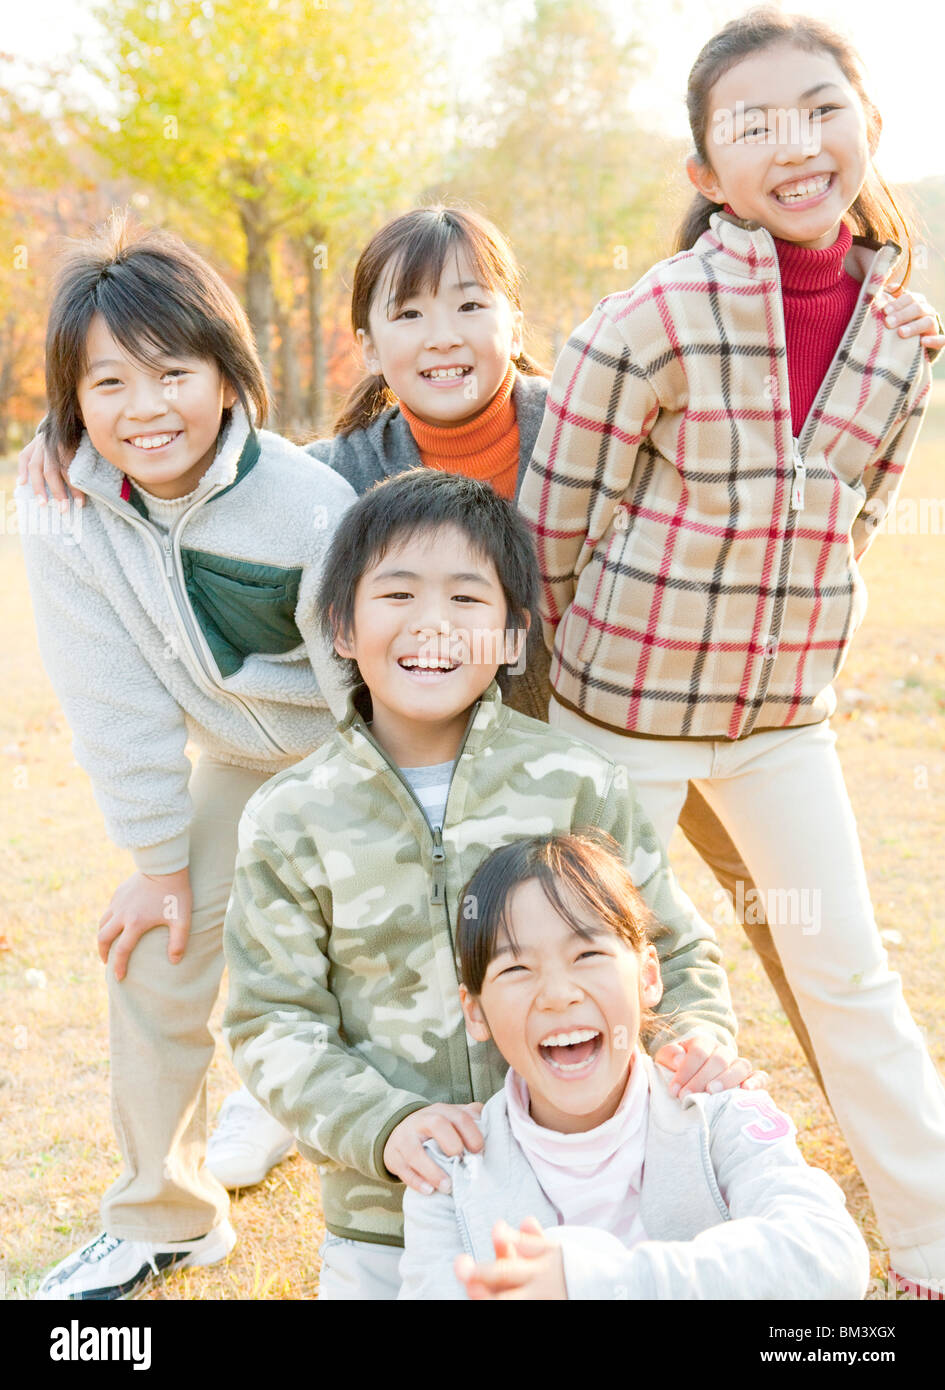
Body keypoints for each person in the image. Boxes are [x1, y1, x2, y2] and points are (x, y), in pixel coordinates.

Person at [21, 204, 937, 1090]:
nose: (442, 334)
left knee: (776, 910)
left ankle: (840, 1098)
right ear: (370, 346)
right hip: (501, 751)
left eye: (470, 304)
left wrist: (872, 319)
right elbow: (238, 467)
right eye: (407, 313)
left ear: (513, 319)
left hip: (640, 702)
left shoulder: (585, 413)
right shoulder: (344, 471)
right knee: (553, 924)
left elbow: (740, 418)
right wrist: (62, 442)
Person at [518, 7, 945, 1298]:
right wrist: (556, 702)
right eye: (751, 124)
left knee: (844, 967)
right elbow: (552, 517)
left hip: (780, 720)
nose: (795, 142)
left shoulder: (901, 334)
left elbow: (861, 514)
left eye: (821, 109)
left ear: (871, 130)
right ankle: (573, 1236)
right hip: (620, 713)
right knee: (591, 974)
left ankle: (925, 1228)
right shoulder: (653, 315)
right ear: (706, 172)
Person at [222, 468, 756, 1301]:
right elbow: (270, 1019)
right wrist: (383, 1125)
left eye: (467, 600)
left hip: (590, 1198)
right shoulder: (290, 817)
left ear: (512, 637)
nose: (431, 624)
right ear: (340, 625)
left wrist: (692, 1039)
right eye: (396, 593)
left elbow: (670, 950)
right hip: (388, 1213)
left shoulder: (575, 784)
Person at [18, 213, 356, 1300]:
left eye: (172, 372)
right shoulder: (63, 513)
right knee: (154, 948)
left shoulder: (308, 502)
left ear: (226, 372)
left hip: (351, 761)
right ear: (74, 402)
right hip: (233, 768)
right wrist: (161, 862)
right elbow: (109, 701)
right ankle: (166, 1215)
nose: (144, 408)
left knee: (387, 957)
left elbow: (377, 690)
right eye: (108, 384)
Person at [399, 832, 870, 1300]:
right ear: (475, 1010)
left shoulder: (715, 1105)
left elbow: (830, 1258)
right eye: (517, 969)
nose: (559, 994)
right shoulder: (449, 1169)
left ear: (648, 976)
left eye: (588, 955)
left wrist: (592, 1281)